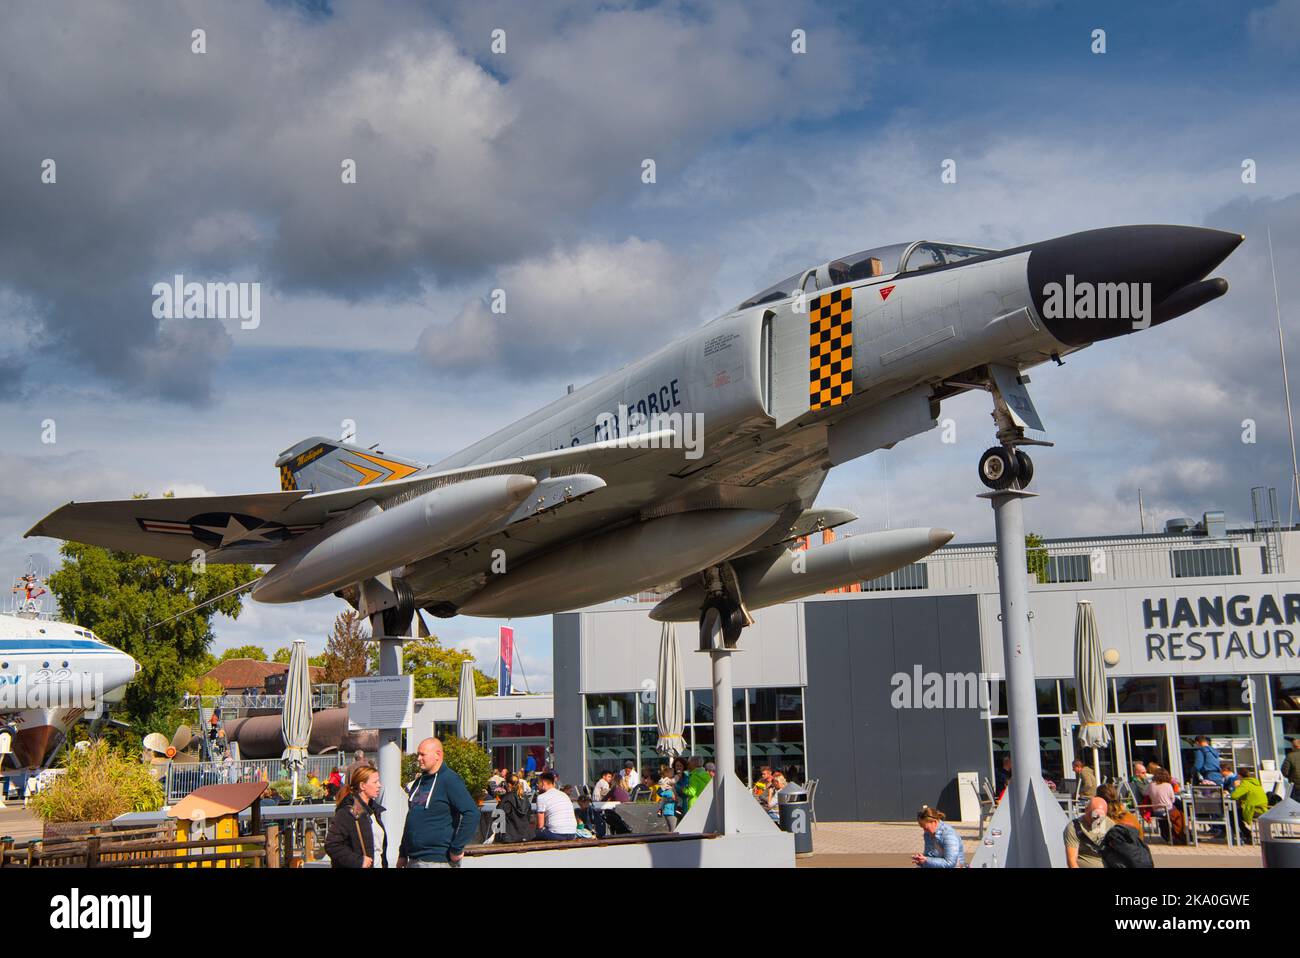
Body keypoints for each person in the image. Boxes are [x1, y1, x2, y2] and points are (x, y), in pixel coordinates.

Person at [398, 737, 479, 868]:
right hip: (413, 859)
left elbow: (472, 813)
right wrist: (402, 853)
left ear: (438, 755)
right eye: (418, 754)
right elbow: (411, 819)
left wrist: (456, 849)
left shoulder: (450, 780)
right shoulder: (418, 783)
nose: (418, 758)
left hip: (437, 860)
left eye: (422, 754)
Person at [324, 764, 388, 868]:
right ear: (362, 785)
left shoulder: (373, 810)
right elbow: (332, 845)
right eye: (375, 782)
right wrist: (358, 861)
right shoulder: (348, 812)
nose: (379, 785)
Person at [1065, 797, 1114, 868]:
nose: (1098, 821)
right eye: (1095, 817)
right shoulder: (1074, 828)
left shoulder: (1110, 825)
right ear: (1086, 810)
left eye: (1101, 818)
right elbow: (1072, 862)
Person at [1229, 767, 1269, 844]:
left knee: (1232, 815)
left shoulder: (1245, 784)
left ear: (1239, 776)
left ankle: (1246, 835)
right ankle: (1245, 835)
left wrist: (1236, 787)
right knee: (1236, 814)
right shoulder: (1255, 783)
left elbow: (1234, 796)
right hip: (1263, 809)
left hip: (1255, 810)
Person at [533, 772, 578, 841]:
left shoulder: (541, 797)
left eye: (538, 783)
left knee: (532, 833)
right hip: (572, 834)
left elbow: (540, 825)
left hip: (557, 834)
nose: (537, 786)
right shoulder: (564, 795)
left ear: (543, 783)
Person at [495, 772, 533, 843]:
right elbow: (529, 816)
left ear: (509, 784)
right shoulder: (525, 798)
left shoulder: (507, 798)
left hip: (510, 837)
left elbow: (496, 816)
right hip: (526, 836)